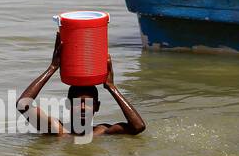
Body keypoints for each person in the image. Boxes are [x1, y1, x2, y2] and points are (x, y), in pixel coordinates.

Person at [16, 32, 145, 137]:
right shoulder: (58, 131)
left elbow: (138, 127)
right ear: (68, 105)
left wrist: (111, 87)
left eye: (88, 103)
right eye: (78, 103)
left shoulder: (102, 132)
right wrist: (52, 68)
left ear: (97, 107)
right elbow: (23, 105)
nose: (83, 108)